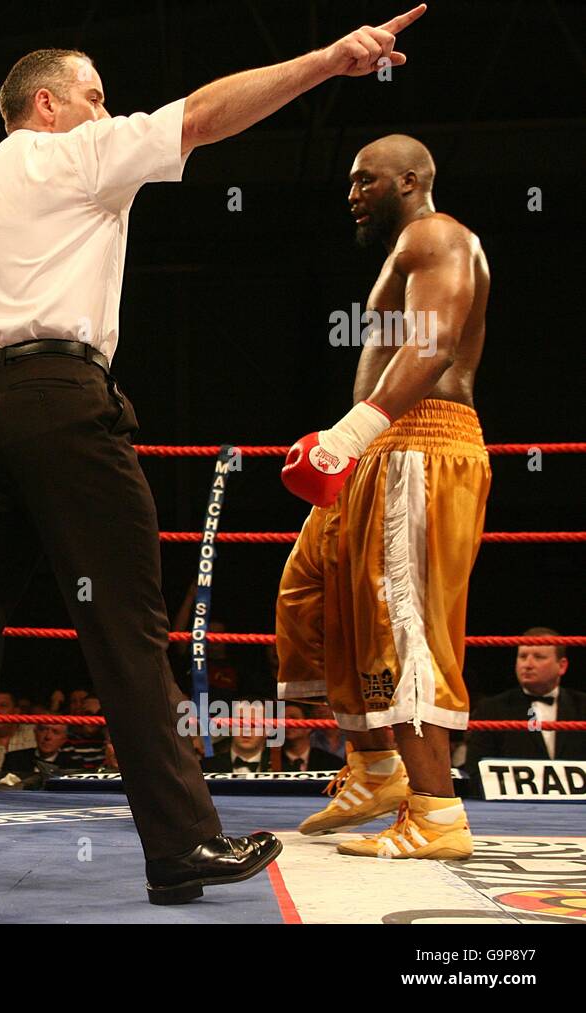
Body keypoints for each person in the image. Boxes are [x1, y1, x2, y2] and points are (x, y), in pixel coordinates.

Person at [0, 6, 430, 905]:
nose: (105, 109)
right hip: (60, 404)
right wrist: (326, 59)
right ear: (46, 104)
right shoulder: (73, 153)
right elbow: (203, 116)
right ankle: (181, 846)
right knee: (124, 624)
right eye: (93, 95)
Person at [277, 131, 490, 859]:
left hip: (419, 443)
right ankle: (375, 767)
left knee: (404, 627)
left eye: (365, 180)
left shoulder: (438, 235)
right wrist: (355, 440)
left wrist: (350, 430)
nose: (352, 193)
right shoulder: (408, 251)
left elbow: (431, 345)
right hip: (378, 447)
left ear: (409, 180)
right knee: (311, 597)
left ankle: (437, 813)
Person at [465, 631, 584, 779]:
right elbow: (475, 769)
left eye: (539, 657)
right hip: (510, 801)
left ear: (562, 666)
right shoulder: (492, 709)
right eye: (522, 657)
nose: (528, 664)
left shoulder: (582, 706)